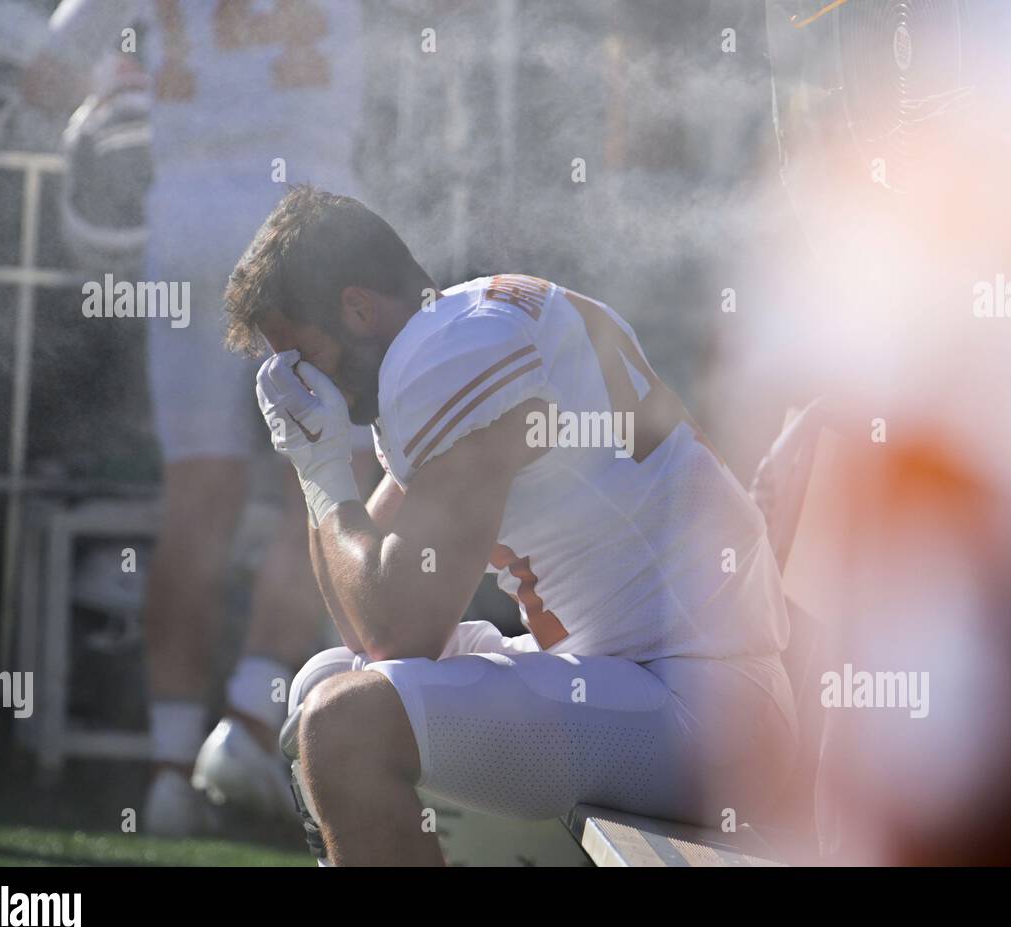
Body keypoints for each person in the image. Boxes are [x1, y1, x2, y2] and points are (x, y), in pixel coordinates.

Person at [224, 185, 800, 865]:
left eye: (302, 357)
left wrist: (318, 468)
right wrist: (316, 467)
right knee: (323, 681)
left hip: (705, 707)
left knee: (346, 726)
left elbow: (396, 630)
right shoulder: (468, 323)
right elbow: (363, 623)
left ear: (356, 307)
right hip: (657, 678)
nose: (302, 385)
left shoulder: (439, 357)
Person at [34, 0, 369, 834]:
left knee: (197, 496)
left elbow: (44, 67)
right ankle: (249, 725)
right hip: (307, 218)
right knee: (324, 488)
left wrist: (131, 90)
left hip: (186, 214)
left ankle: (169, 773)